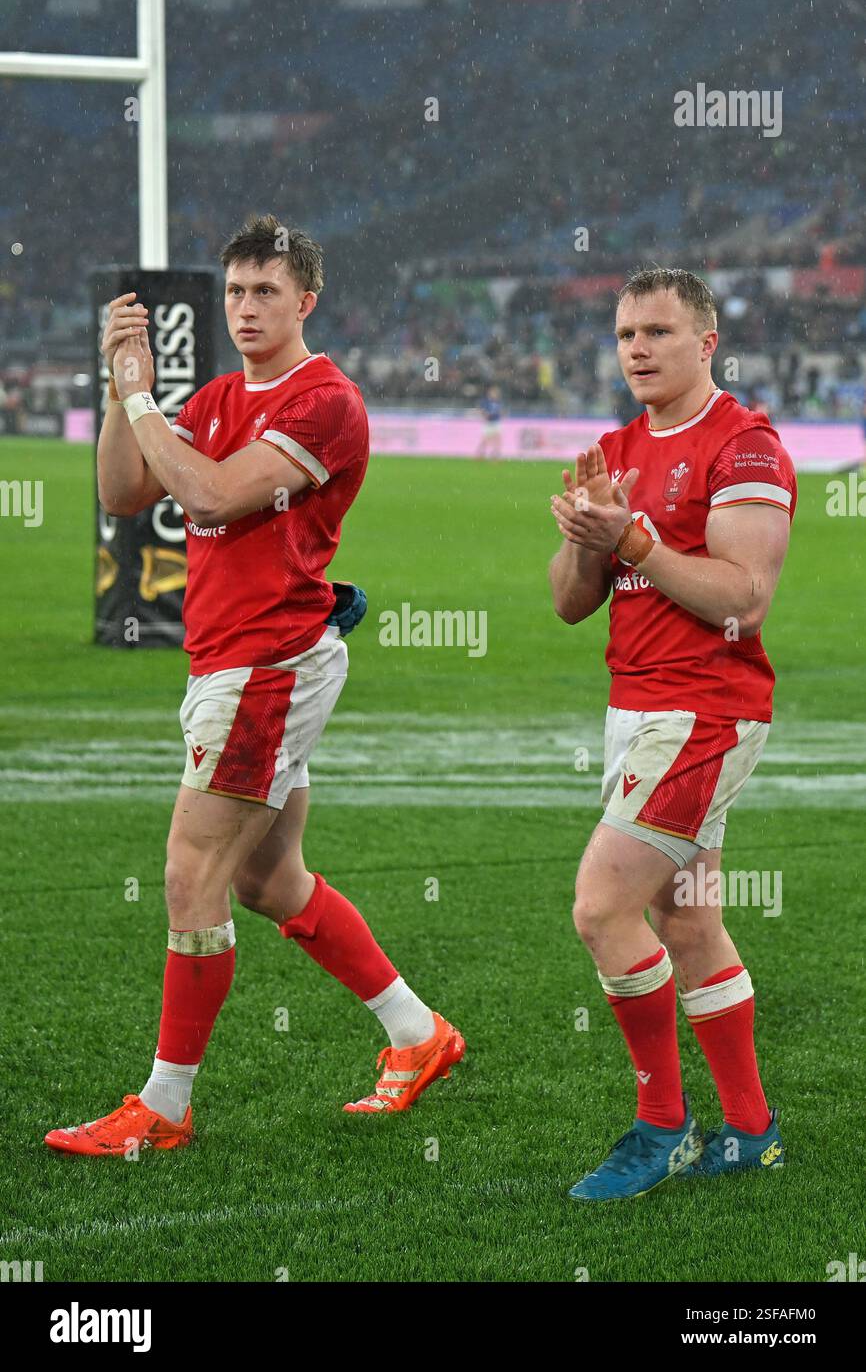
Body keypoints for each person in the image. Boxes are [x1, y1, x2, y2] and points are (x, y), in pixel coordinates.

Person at [45, 214, 464, 1156]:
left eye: (265, 291)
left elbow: (205, 497)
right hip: (239, 658)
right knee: (272, 880)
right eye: (234, 291)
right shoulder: (225, 394)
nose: (244, 307)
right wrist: (125, 393)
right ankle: (417, 1033)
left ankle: (164, 1105)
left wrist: (152, 408)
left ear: (306, 300)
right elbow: (122, 494)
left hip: (266, 665)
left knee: (190, 875)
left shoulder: (324, 401)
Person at [549, 268, 796, 1201]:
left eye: (657, 331)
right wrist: (586, 534)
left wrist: (638, 541)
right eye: (623, 335)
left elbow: (745, 596)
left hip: (706, 712)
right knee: (687, 921)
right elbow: (573, 604)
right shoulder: (613, 449)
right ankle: (751, 1129)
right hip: (635, 709)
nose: (637, 350)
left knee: (600, 907)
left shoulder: (747, 444)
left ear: (707, 342)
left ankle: (661, 1125)